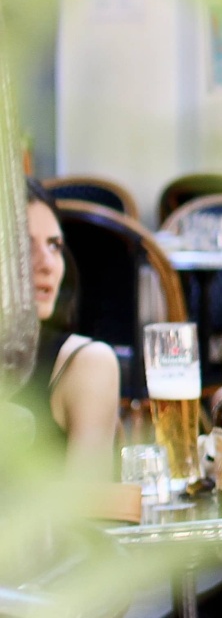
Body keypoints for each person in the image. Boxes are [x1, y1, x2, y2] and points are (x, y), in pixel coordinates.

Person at [23, 180, 120, 479]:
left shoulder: (87, 363)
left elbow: (87, 504)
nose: (47, 264)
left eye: (54, 245)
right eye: (24, 246)